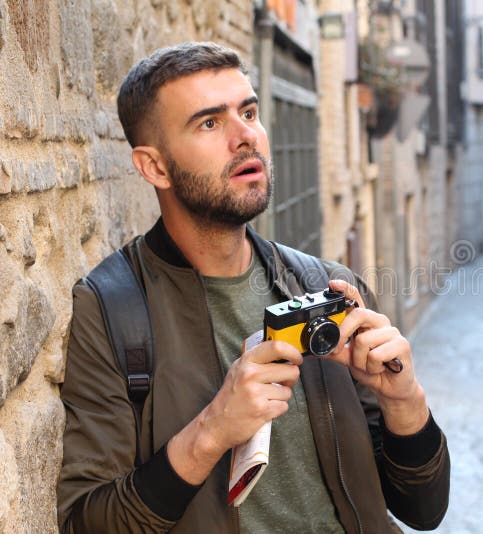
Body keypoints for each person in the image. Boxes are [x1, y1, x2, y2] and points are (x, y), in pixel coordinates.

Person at [57, 42, 449, 533]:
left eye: (248, 111)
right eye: (209, 122)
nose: (246, 137)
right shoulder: (111, 309)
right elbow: (86, 523)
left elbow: (424, 510)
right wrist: (212, 430)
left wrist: (404, 401)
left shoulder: (326, 284)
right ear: (154, 167)